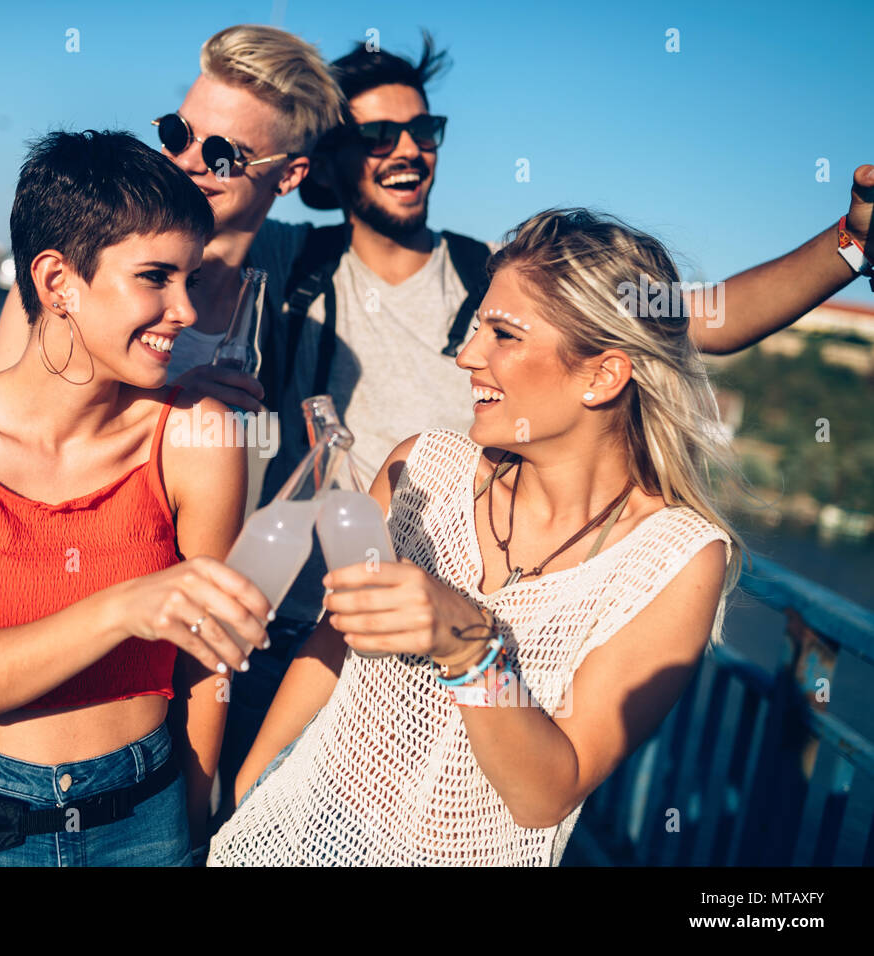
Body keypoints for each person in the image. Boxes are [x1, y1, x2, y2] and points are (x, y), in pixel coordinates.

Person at [213, 32, 874, 808]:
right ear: (323, 165)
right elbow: (194, 218)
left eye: (424, 132)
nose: (408, 150)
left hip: (450, 648)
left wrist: (853, 242)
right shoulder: (291, 263)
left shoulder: (493, 276)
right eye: (376, 136)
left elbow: (705, 319)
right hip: (307, 640)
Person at [209, 207, 747, 866]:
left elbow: (545, 796)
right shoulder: (420, 469)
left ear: (603, 375)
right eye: (474, 328)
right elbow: (331, 645)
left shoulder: (674, 560)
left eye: (503, 334)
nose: (467, 356)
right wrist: (247, 794)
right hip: (300, 831)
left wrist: (471, 648)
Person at [0, 129, 273, 866]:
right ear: (58, 282)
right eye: (155, 277)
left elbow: (208, 661)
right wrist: (125, 606)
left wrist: (193, 812)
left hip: (148, 814)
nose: (184, 310)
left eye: (191, 278)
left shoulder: (197, 434)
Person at [0, 24, 347, 417]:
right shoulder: (78, 267)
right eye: (178, 132)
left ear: (289, 176)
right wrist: (166, 407)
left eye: (222, 152)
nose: (186, 161)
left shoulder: (278, 292)